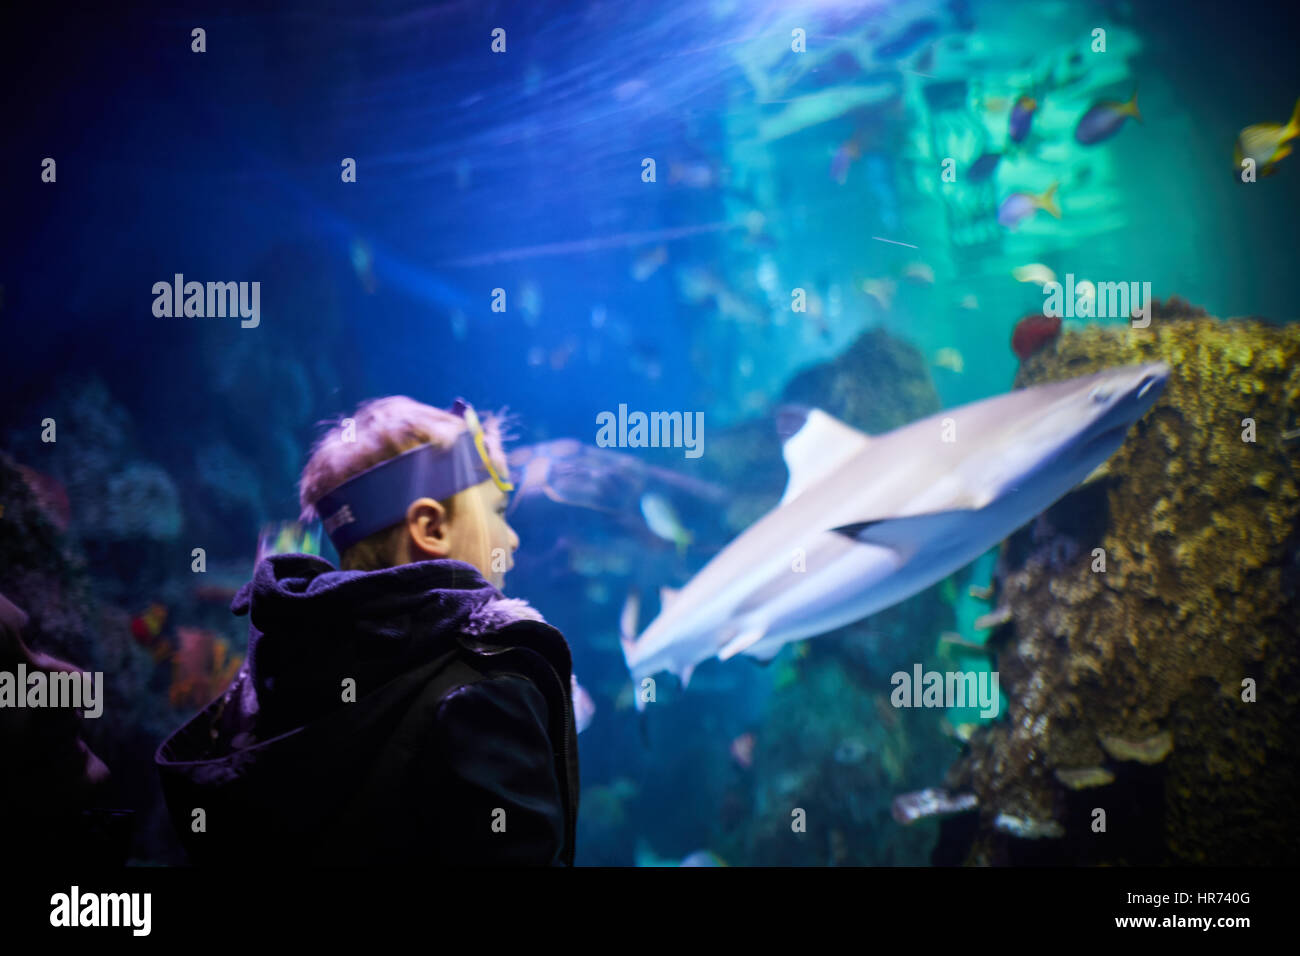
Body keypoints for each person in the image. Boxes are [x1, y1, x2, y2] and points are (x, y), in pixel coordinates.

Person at [155, 397, 579, 865]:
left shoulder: (276, 670)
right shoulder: (486, 688)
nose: (511, 538)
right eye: (498, 511)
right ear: (430, 527)